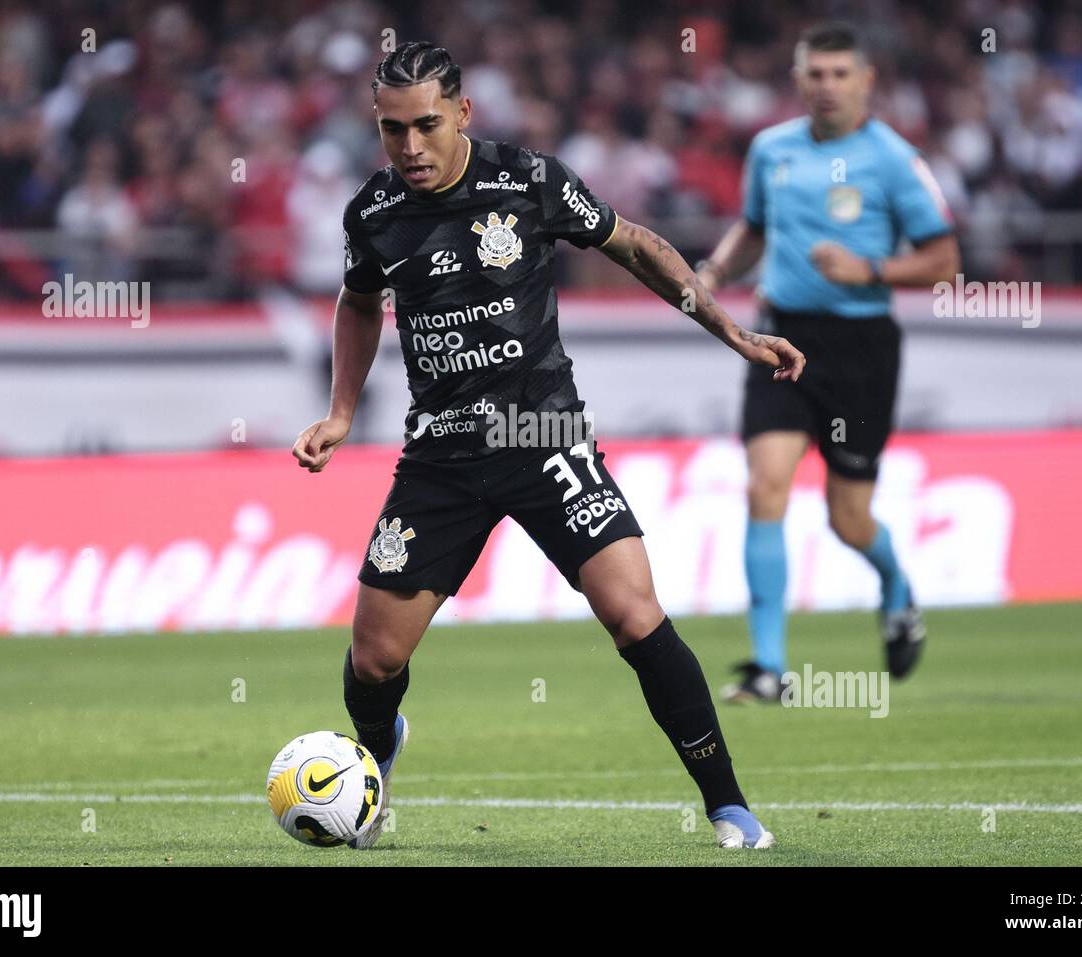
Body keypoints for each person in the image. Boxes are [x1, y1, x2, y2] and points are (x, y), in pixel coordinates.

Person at [292, 41, 805, 850]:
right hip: (442, 455)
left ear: (463, 111)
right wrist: (341, 411)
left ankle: (728, 804)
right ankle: (380, 750)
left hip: (544, 435)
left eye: (426, 125)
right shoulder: (374, 212)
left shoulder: (528, 181)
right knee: (375, 658)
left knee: (635, 614)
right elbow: (358, 305)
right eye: (393, 131)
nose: (411, 147)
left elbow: (635, 244)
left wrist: (734, 333)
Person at [695, 22, 959, 702]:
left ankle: (896, 583)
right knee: (765, 486)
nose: (828, 85)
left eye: (842, 73)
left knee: (848, 518)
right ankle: (769, 668)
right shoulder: (770, 149)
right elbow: (753, 227)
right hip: (780, 338)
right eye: (817, 73)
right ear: (799, 80)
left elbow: (944, 260)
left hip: (860, 347)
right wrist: (717, 267)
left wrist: (865, 267)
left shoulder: (894, 160)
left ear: (866, 80)